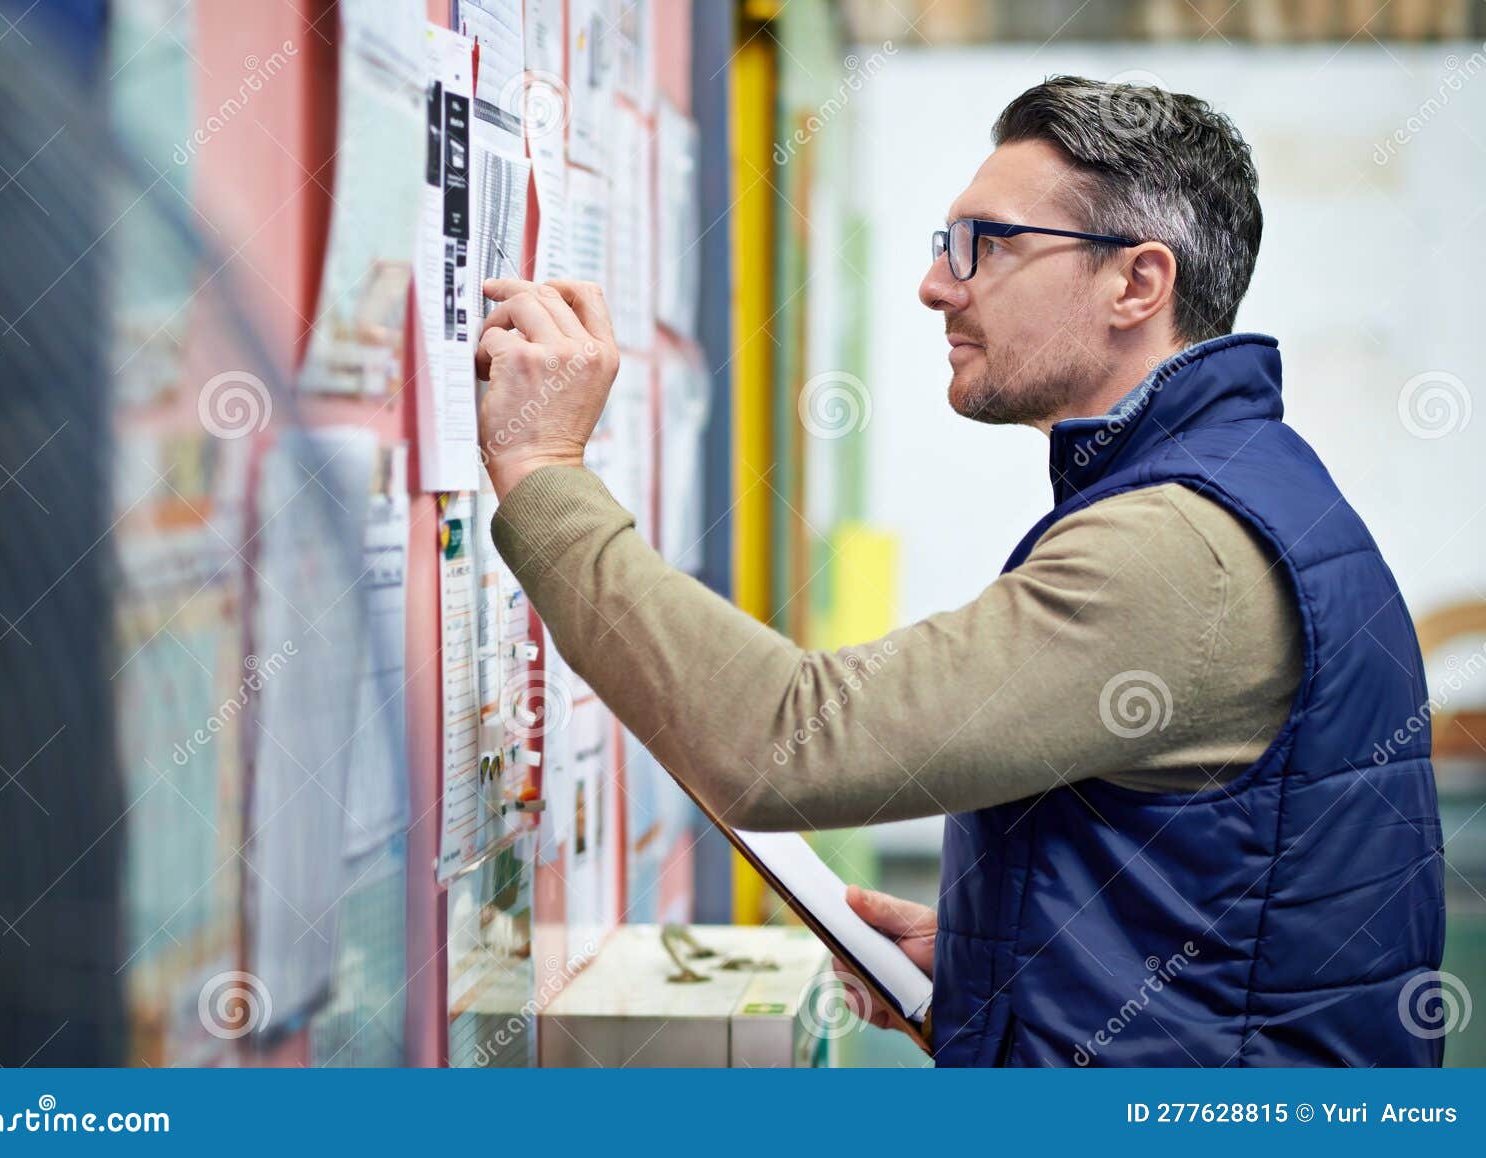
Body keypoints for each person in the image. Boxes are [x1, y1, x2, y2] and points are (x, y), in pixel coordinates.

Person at [472, 76, 1444, 1067]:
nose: (938, 284)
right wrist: (1013, 967)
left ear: (1136, 284)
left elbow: (780, 743)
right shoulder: (1242, 486)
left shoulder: (1173, 547)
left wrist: (543, 472)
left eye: (986, 243)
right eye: (944, 245)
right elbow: (1228, 904)